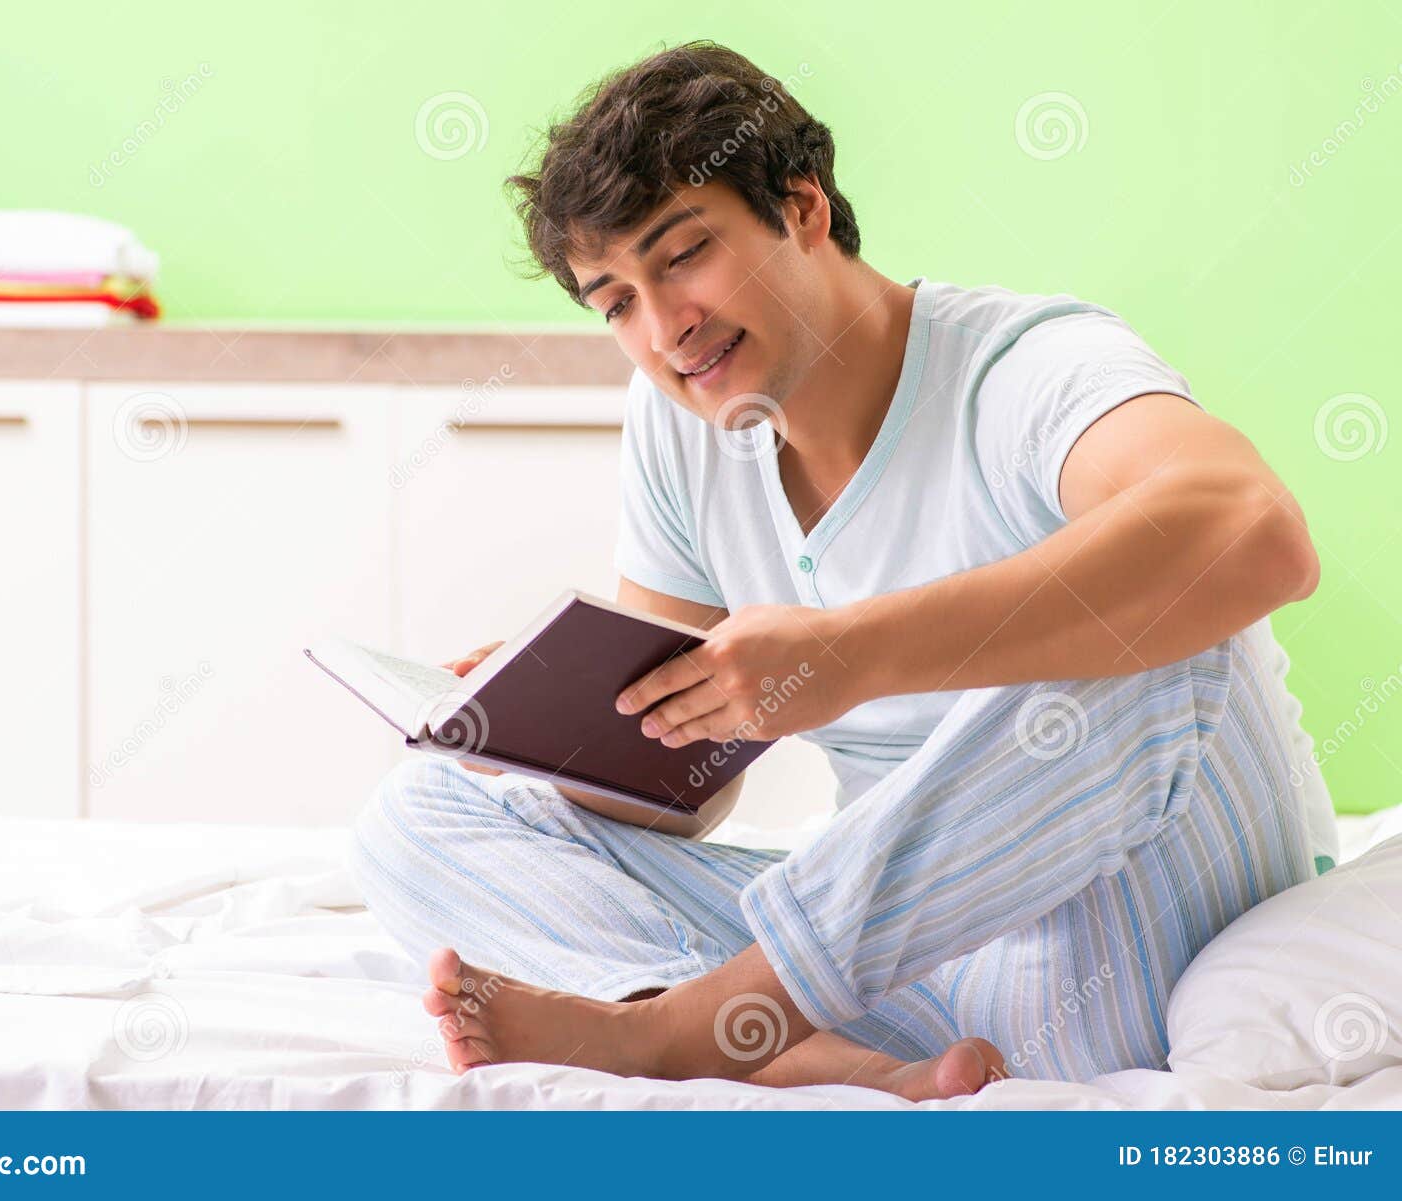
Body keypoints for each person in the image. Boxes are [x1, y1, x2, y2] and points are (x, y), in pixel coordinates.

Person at [353, 41, 1337, 1099]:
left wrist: (851, 655)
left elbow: (1254, 534)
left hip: (1128, 947)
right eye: (615, 302)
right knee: (420, 812)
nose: (663, 326)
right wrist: (562, 730)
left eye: (682, 254)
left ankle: (690, 1032)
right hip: (913, 973)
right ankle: (823, 1060)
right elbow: (686, 794)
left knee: (1160, 644)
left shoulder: (1025, 366)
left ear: (804, 206)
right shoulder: (684, 420)